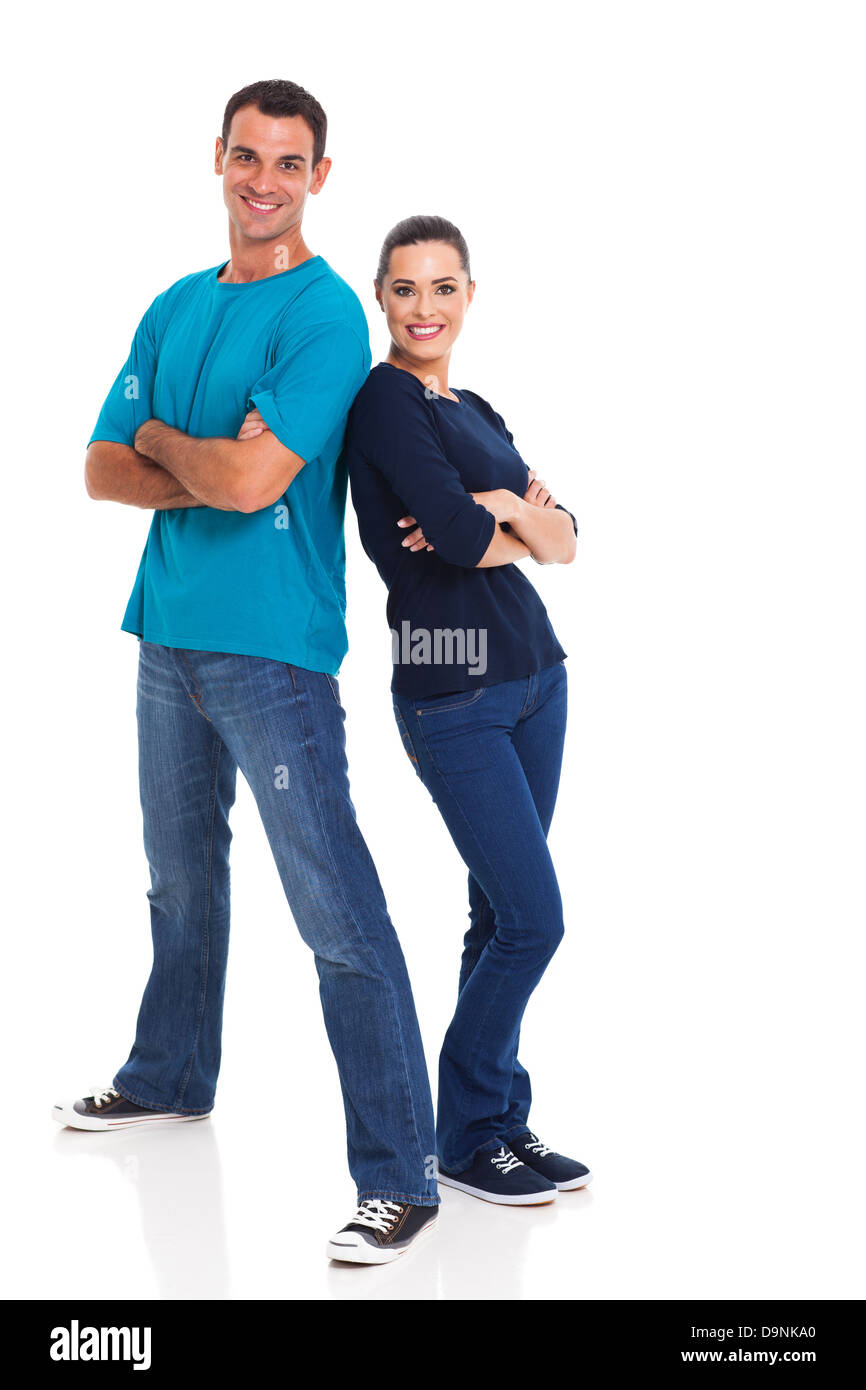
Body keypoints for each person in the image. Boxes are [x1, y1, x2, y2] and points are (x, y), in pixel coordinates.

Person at [53, 82, 439, 1265]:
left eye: (288, 161)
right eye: (245, 156)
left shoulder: (324, 317)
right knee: (178, 879)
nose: (262, 180)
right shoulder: (174, 304)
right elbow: (95, 471)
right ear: (215, 159)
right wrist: (195, 457)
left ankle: (400, 1172)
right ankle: (170, 1071)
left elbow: (246, 484)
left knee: (334, 907)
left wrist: (169, 441)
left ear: (319, 175)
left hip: (271, 650)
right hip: (164, 630)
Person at [345, 215, 593, 1205]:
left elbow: (569, 537)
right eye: (404, 289)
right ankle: (462, 1130)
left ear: (468, 296)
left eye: (442, 287)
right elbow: (448, 540)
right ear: (381, 298)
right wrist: (501, 510)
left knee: (497, 913)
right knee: (535, 919)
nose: (424, 308)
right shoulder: (383, 403)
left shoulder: (476, 405)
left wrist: (506, 512)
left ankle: (494, 1125)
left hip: (536, 677)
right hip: (452, 692)